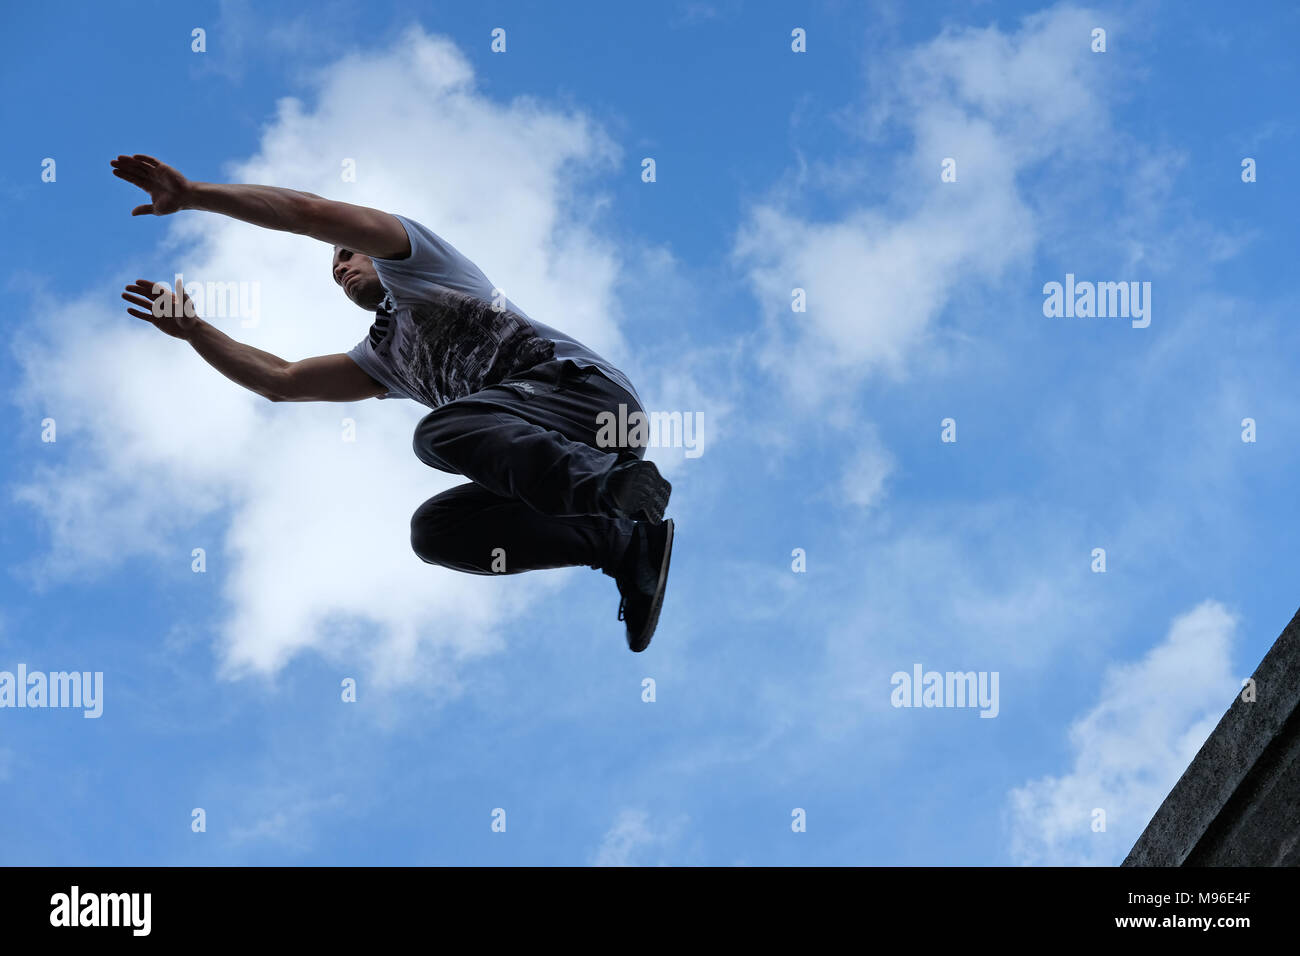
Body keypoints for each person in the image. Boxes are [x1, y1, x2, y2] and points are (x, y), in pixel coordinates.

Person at [112, 153, 673, 652]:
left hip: (588, 400)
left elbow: (306, 212)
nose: (340, 267)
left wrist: (194, 196)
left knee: (442, 431)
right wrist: (194, 330)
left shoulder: (421, 262)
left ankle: (607, 484)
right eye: (334, 269)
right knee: (437, 530)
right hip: (553, 444)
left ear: (380, 255)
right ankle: (623, 542)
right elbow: (280, 380)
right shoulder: (384, 358)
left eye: (349, 255)